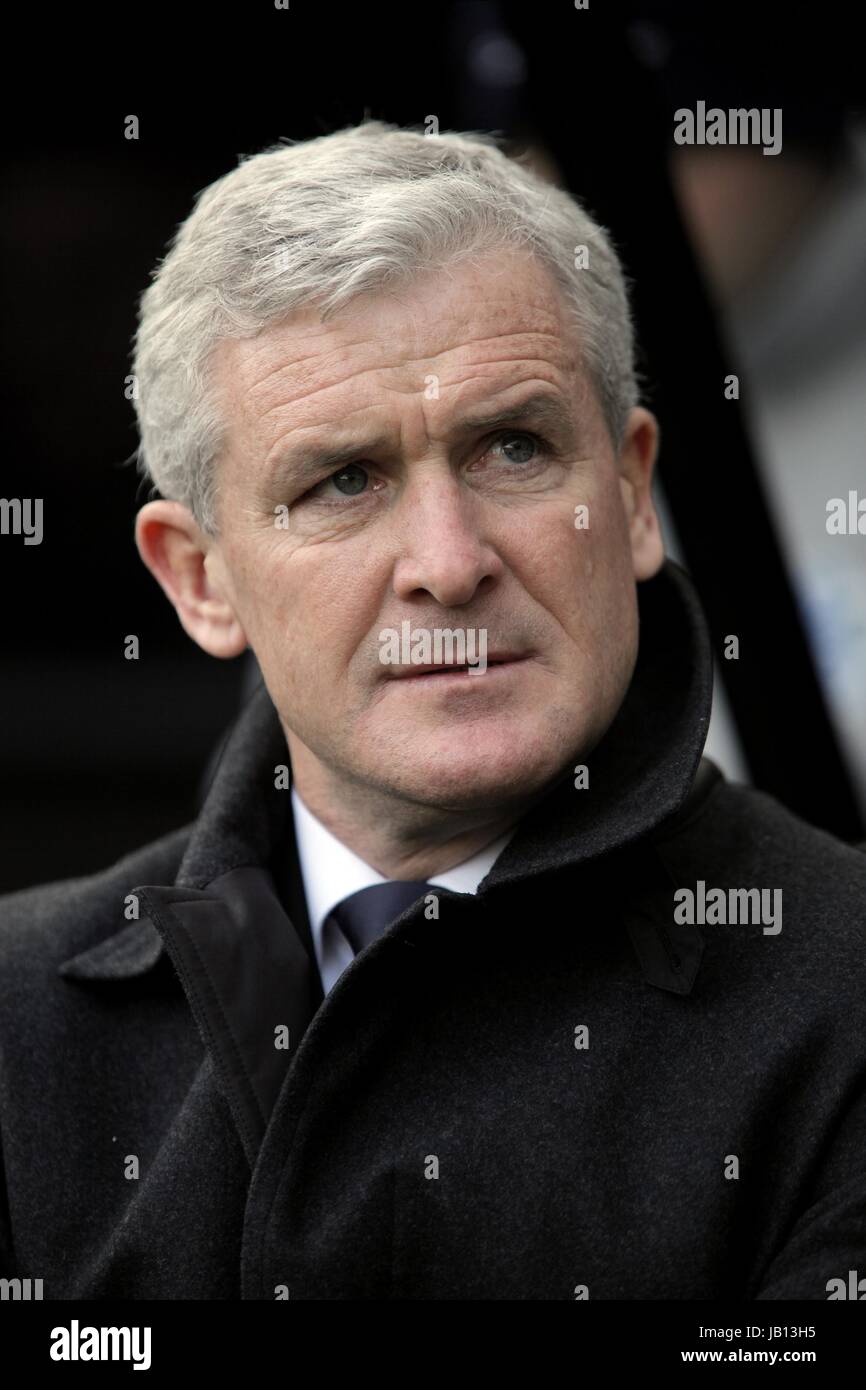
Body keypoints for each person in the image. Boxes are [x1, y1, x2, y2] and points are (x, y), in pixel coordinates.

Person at [1, 120, 865, 1301]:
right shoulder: (15, 1016)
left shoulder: (842, 1000)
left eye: (512, 448)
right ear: (200, 578)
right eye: (343, 481)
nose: (448, 563)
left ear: (628, 495)